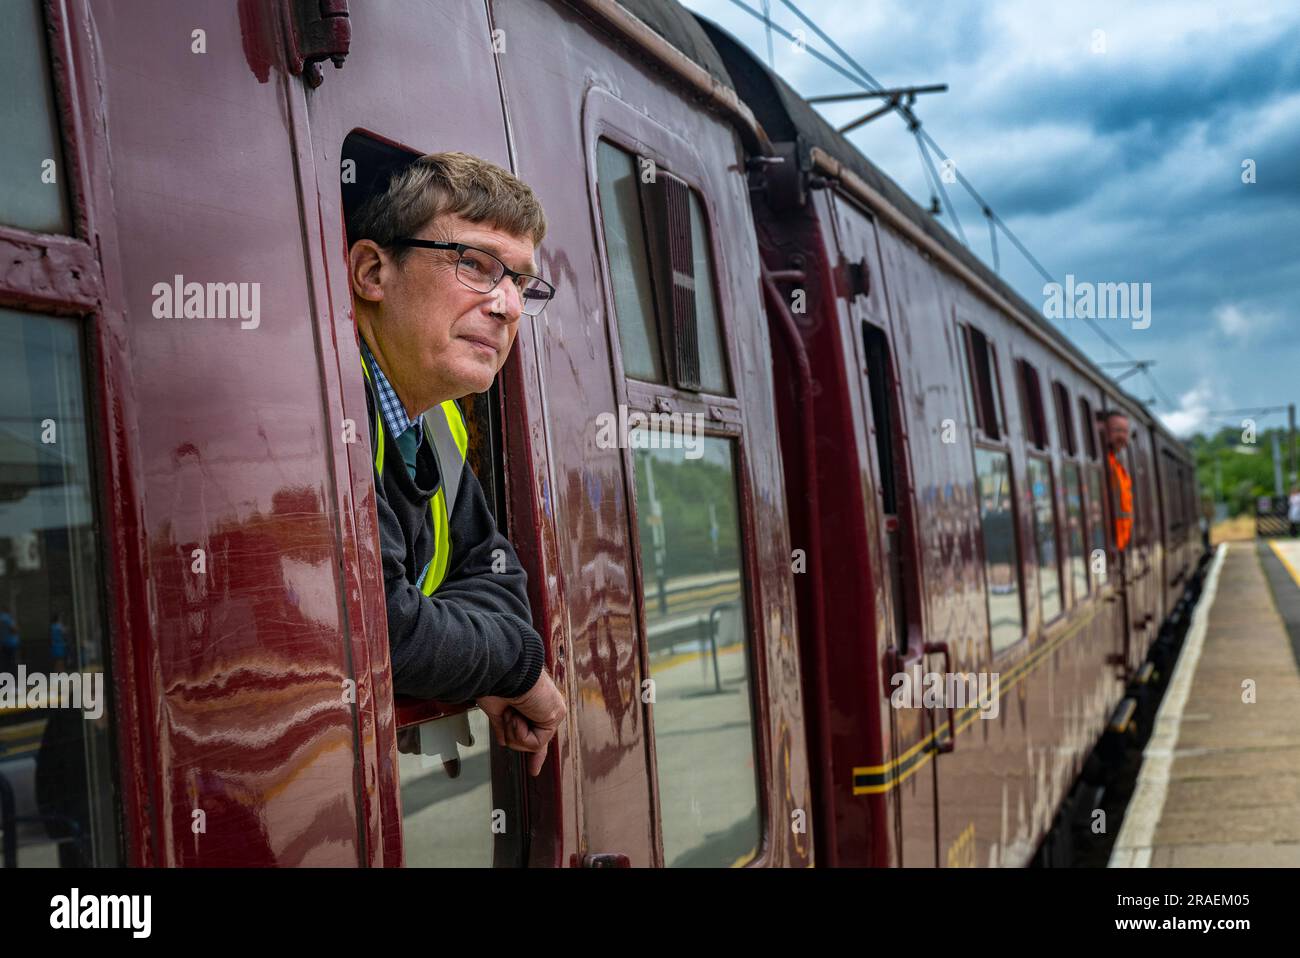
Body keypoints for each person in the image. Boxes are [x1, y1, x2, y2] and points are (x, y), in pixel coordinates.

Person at [347, 152, 564, 776]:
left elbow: (498, 578)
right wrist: (514, 663)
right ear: (371, 271)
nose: (508, 307)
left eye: (520, 282)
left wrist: (472, 645)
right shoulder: (323, 409)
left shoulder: (435, 423)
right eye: (474, 264)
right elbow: (375, 622)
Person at [1103, 410, 1133, 553]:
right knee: (1098, 571)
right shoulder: (1104, 464)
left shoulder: (1117, 467)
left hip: (1119, 544)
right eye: (1117, 430)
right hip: (1102, 546)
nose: (1122, 436)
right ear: (1105, 432)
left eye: (1125, 432)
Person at [0, 606, 18, 677]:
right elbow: (14, 629)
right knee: (11, 662)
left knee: (4, 662)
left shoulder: (1, 618)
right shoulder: (8, 618)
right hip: (10, 643)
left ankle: (4, 679)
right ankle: (11, 679)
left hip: (3, 643)